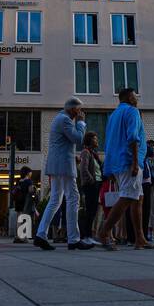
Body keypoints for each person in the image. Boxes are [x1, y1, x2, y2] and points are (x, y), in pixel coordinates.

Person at [95, 89, 151, 251]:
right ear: (128, 97)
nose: (137, 98)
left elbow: (109, 141)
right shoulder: (132, 111)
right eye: (135, 95)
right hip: (129, 161)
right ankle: (104, 232)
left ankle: (140, 238)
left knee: (137, 198)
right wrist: (134, 162)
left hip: (117, 162)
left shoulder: (113, 116)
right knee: (127, 197)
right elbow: (133, 137)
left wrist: (109, 168)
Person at [34, 97, 93, 251]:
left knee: (55, 200)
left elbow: (62, 143)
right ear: (73, 109)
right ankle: (73, 239)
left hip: (58, 165)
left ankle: (41, 234)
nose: (81, 113)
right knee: (73, 197)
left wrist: (73, 156)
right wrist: (81, 123)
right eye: (79, 109)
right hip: (63, 166)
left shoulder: (59, 119)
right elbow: (78, 138)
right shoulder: (65, 120)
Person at [75, 131, 104, 243]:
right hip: (91, 185)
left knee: (93, 210)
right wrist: (91, 180)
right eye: (95, 139)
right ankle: (87, 236)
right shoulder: (85, 152)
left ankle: (89, 236)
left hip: (97, 184)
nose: (97, 141)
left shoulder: (93, 154)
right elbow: (84, 169)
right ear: (90, 140)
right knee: (90, 210)